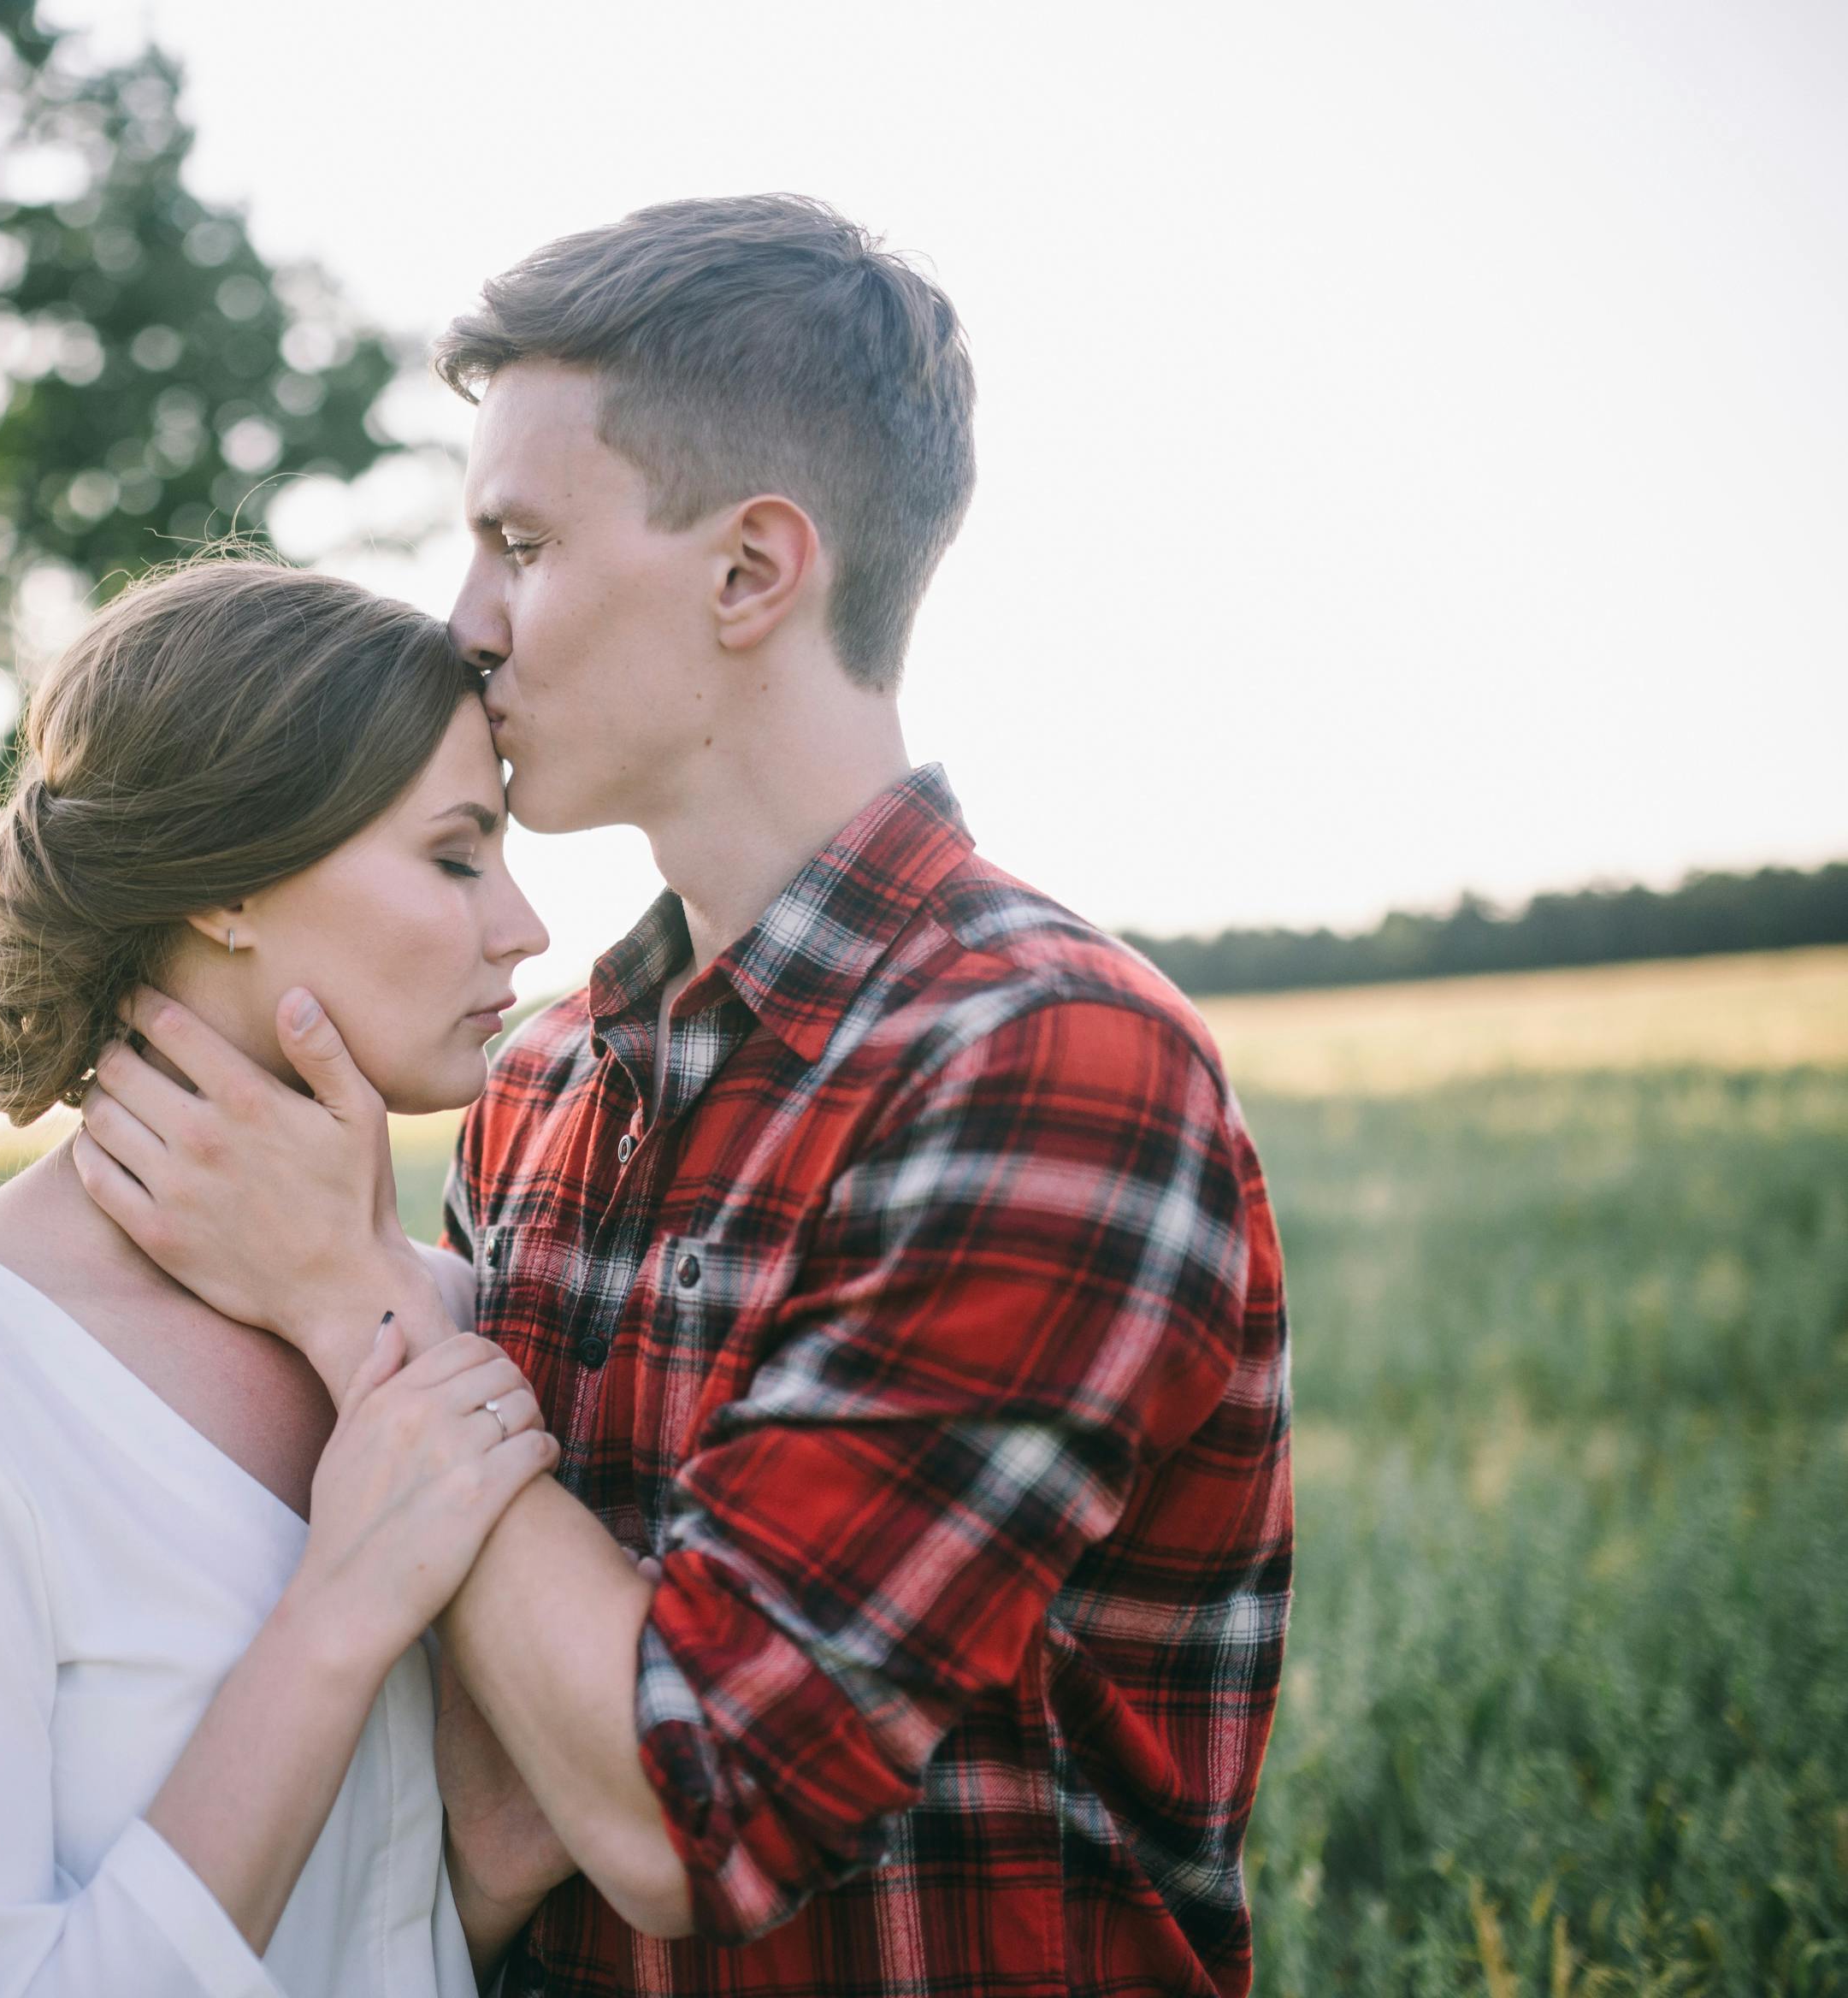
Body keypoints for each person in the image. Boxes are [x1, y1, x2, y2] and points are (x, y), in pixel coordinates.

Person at [63, 196, 1297, 1996]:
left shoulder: (1044, 1060)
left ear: (748, 573)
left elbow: (684, 1808)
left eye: (517, 541)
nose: (463, 623)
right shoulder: (548, 1080)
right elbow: (465, 1763)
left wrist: (351, 1293)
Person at [0, 555, 571, 1998]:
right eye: (455, 855)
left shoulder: (449, 1318)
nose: (525, 927)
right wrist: (336, 1616)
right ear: (233, 878)